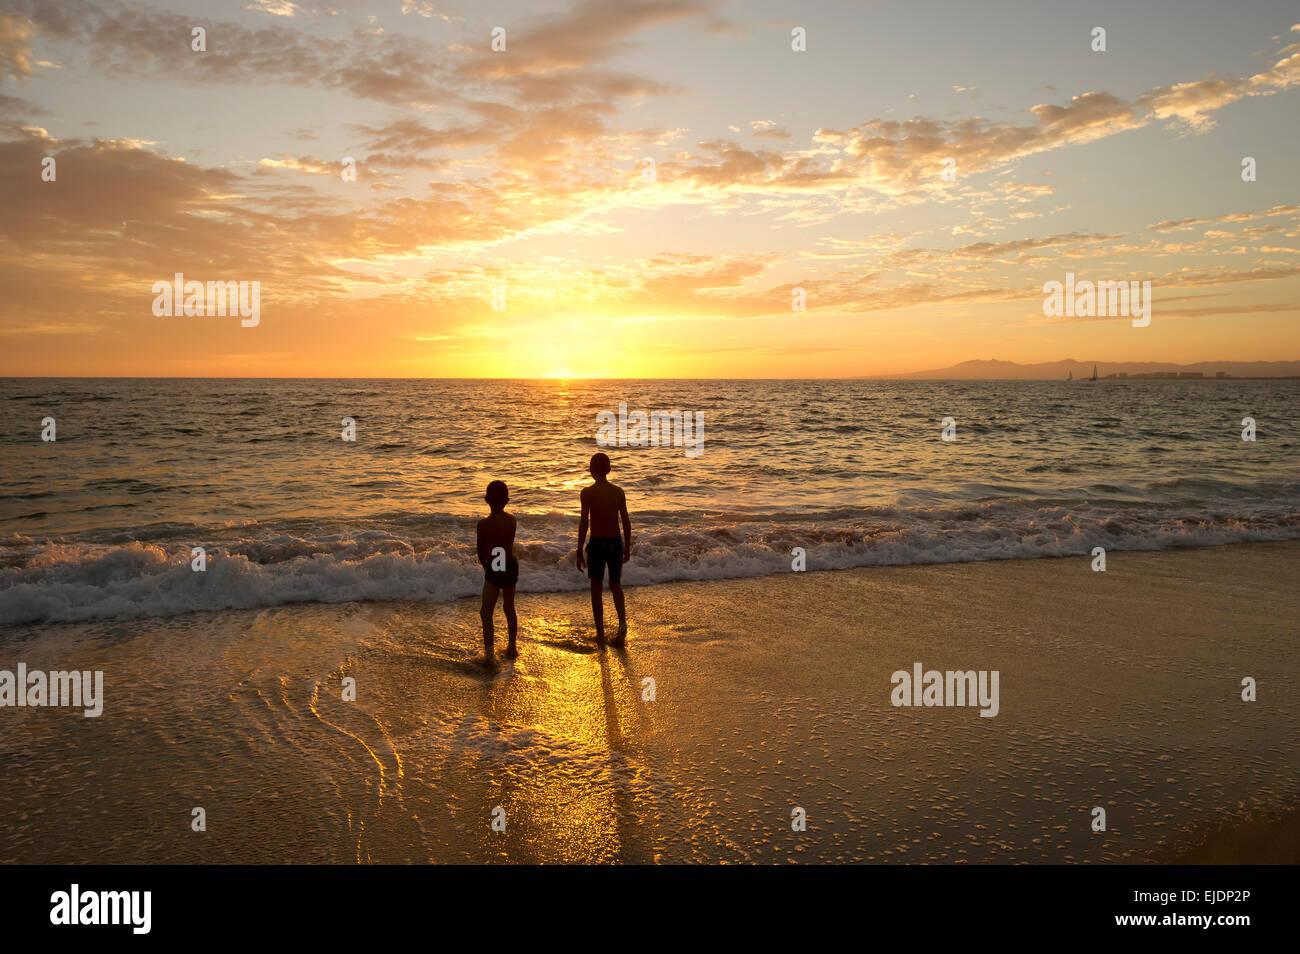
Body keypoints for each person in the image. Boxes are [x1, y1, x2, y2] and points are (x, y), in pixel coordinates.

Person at [576, 452, 631, 646]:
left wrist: (579, 549)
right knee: (616, 585)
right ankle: (622, 625)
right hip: (615, 542)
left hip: (597, 543)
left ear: (591, 471)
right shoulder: (618, 492)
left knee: (596, 588)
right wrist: (628, 546)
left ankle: (600, 634)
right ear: (608, 470)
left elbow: (584, 524)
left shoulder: (587, 493)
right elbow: (626, 522)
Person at [476, 480, 518, 662]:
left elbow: (481, 551)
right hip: (510, 564)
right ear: (507, 500)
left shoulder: (483, 524)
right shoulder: (512, 520)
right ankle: (512, 647)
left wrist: (487, 568)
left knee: (486, 611)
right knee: (509, 607)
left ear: (486, 500)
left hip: (495, 564)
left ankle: (490, 653)